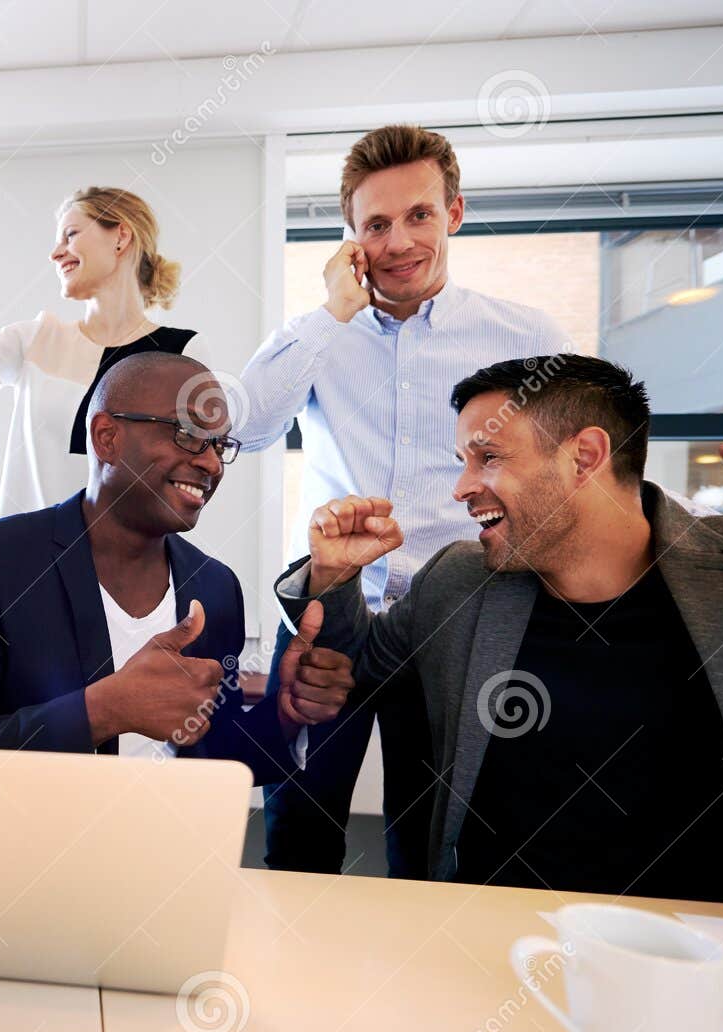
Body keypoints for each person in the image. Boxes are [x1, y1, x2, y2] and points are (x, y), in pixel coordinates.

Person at [276, 353, 723, 911]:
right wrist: (334, 574)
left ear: (584, 456)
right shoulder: (459, 581)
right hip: (494, 949)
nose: (461, 487)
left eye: (487, 457)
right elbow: (344, 673)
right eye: (464, 461)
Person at [232, 123, 572, 878]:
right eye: (376, 224)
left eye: (418, 215)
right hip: (332, 619)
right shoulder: (319, 335)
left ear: (454, 212)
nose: (398, 241)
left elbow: (572, 478)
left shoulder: (525, 337)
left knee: (431, 849)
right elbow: (249, 429)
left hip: (459, 620)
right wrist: (332, 312)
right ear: (350, 239)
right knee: (298, 840)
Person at [0, 351, 352, 782]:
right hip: (28, 859)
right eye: (188, 434)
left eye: (219, 444)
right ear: (107, 438)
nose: (211, 462)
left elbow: (214, 753)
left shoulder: (214, 586)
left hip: (165, 857)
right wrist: (102, 711)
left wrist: (287, 714)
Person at [0, 132, 214, 516]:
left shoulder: (183, 354)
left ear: (121, 236)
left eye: (71, 234)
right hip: (29, 566)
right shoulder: (35, 341)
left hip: (129, 568)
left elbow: (192, 472)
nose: (55, 252)